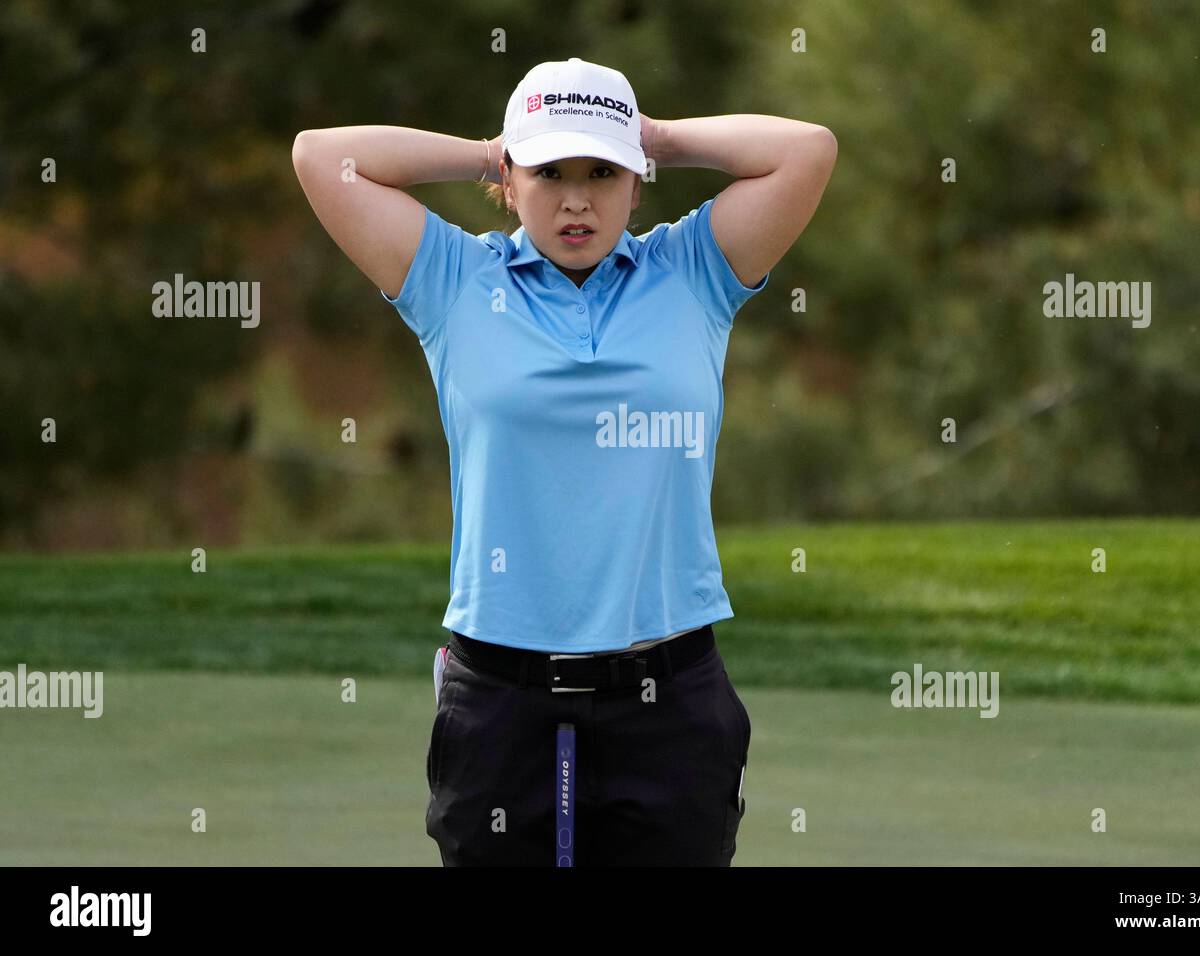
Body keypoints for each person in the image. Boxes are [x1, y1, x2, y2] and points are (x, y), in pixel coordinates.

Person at [292, 57, 836, 865]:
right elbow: (318, 156)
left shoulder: (693, 273)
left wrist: (650, 135)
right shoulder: (455, 278)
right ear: (510, 180)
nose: (577, 198)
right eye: (549, 172)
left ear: (636, 181)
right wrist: (488, 150)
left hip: (668, 696)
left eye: (603, 171)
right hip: (502, 702)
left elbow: (809, 150)